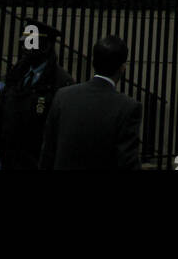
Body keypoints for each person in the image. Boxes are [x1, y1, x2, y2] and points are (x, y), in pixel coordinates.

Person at [0, 20, 74, 170]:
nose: (26, 48)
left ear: (46, 45)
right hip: (10, 161)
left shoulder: (61, 82)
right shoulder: (16, 76)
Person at [39, 35, 141, 169]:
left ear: (94, 63)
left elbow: (48, 153)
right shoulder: (128, 107)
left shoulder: (63, 96)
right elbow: (127, 162)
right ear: (122, 68)